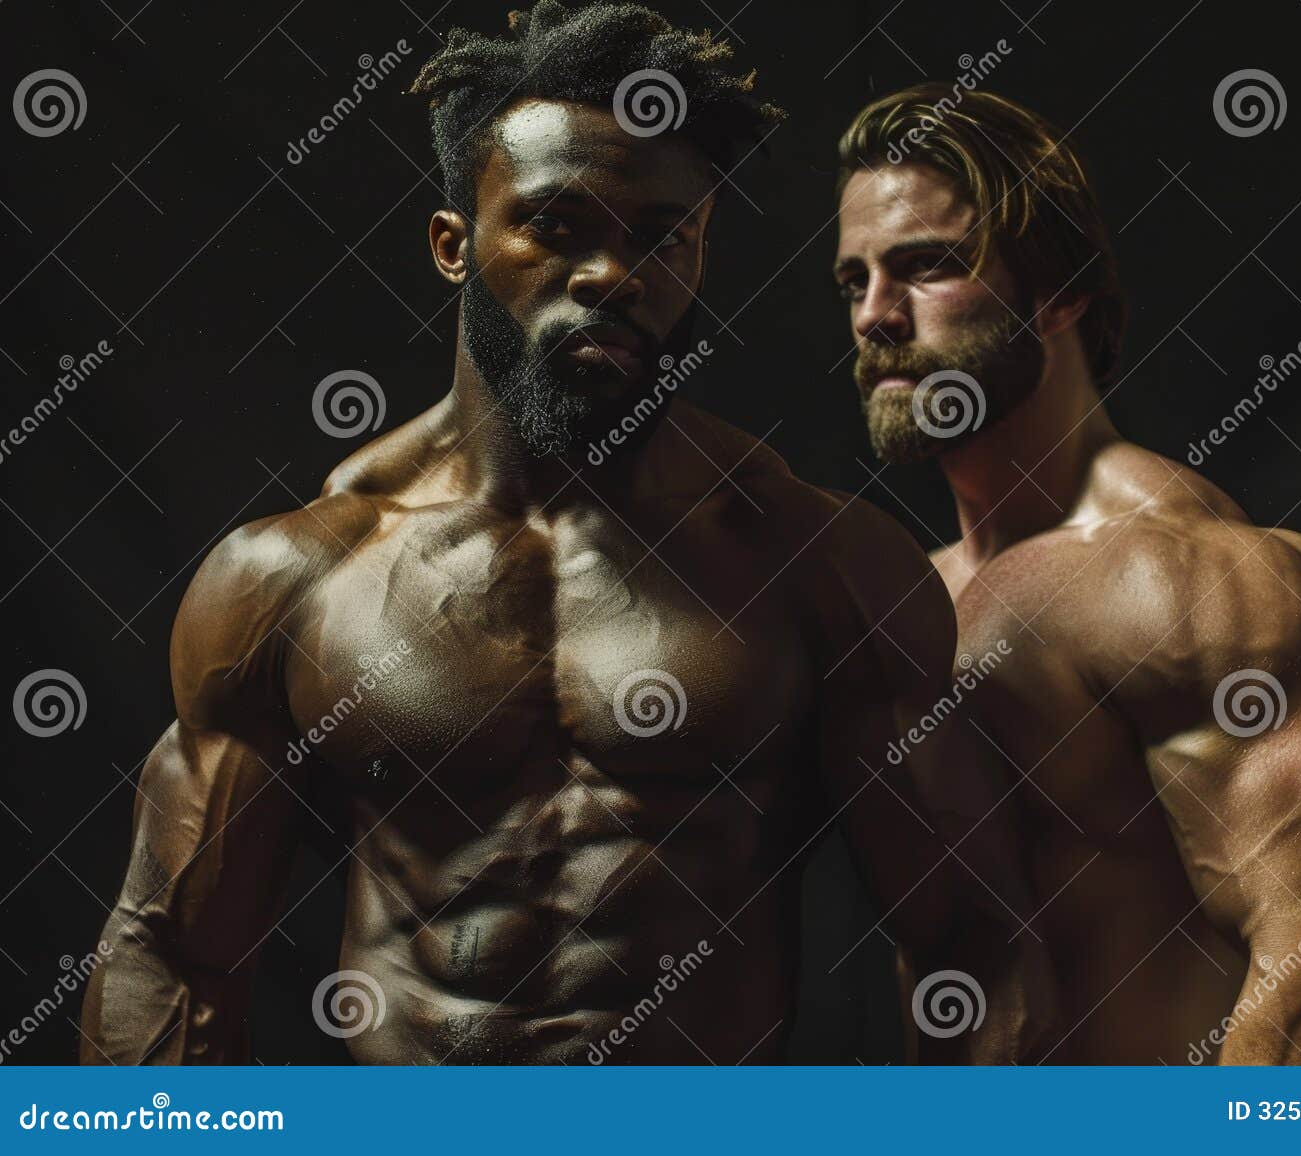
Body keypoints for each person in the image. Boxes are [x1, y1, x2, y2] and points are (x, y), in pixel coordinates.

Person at [81, 7, 1047, 1066]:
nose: (610, 276)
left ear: (702, 250)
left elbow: (975, 945)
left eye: (659, 235)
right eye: (555, 226)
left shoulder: (821, 564)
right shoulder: (295, 576)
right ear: (455, 244)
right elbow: (172, 952)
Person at [832, 84, 1301, 1064]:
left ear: (1058, 289)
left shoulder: (1174, 575)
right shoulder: (903, 594)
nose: (877, 314)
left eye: (927, 267)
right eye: (854, 280)